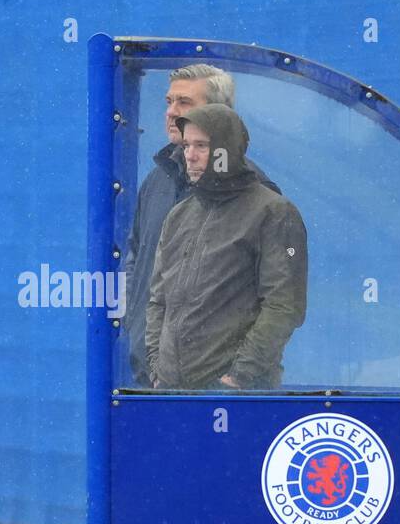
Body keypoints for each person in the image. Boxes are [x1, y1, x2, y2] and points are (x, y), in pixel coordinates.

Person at [145, 103, 308, 524]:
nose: (187, 155)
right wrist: (157, 367)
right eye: (184, 145)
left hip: (240, 397)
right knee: (195, 505)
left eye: (198, 145)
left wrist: (240, 374)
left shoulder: (272, 212)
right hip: (178, 393)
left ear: (225, 149)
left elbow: (284, 305)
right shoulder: (180, 216)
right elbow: (159, 300)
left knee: (239, 510)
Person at [119, 65, 281, 389]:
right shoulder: (157, 180)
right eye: (168, 101)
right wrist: (144, 349)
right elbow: (138, 261)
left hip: (225, 395)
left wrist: (236, 378)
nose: (170, 112)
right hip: (156, 386)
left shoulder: (256, 193)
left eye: (184, 103)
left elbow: (278, 300)